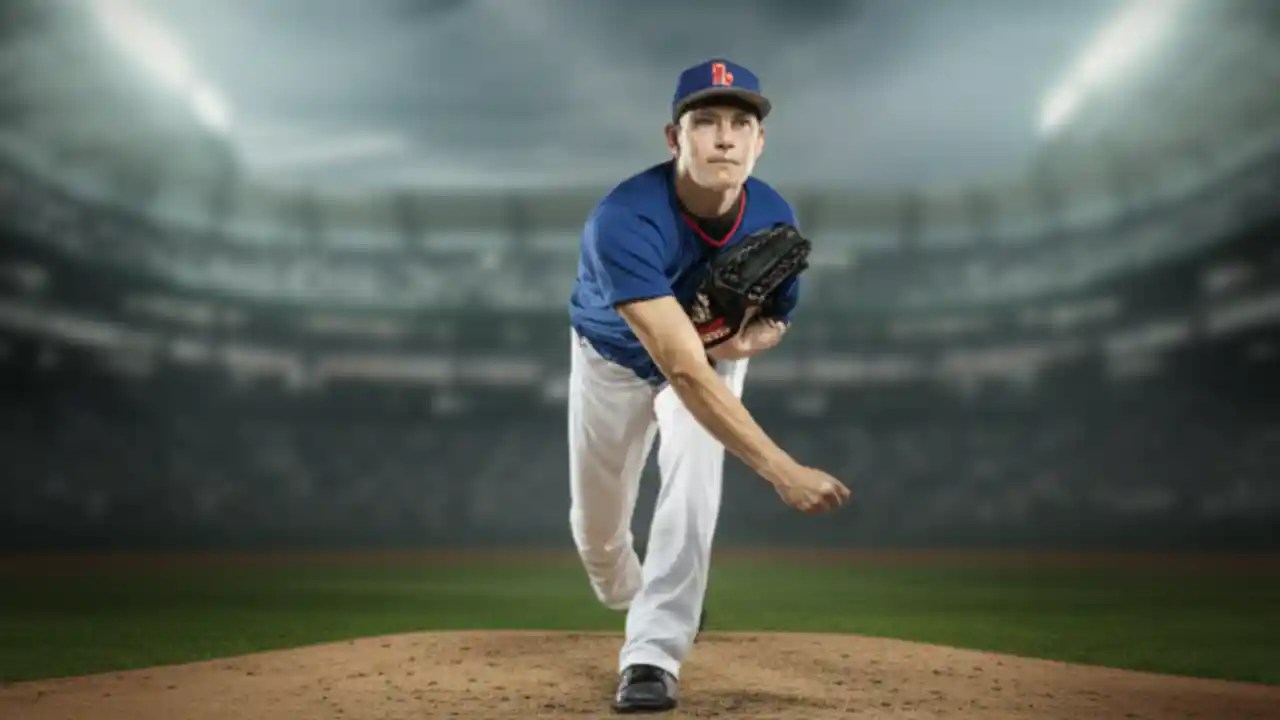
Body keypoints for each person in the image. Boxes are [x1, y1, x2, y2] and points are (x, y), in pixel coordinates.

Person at [566, 58, 852, 714]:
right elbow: (680, 365)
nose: (725, 136)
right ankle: (629, 590)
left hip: (707, 357)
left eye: (740, 122)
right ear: (675, 139)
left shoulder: (773, 214)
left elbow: (773, 321)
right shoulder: (624, 220)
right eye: (705, 122)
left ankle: (652, 654)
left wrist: (742, 340)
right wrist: (783, 469)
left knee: (695, 477)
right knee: (598, 529)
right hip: (612, 360)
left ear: (759, 141)